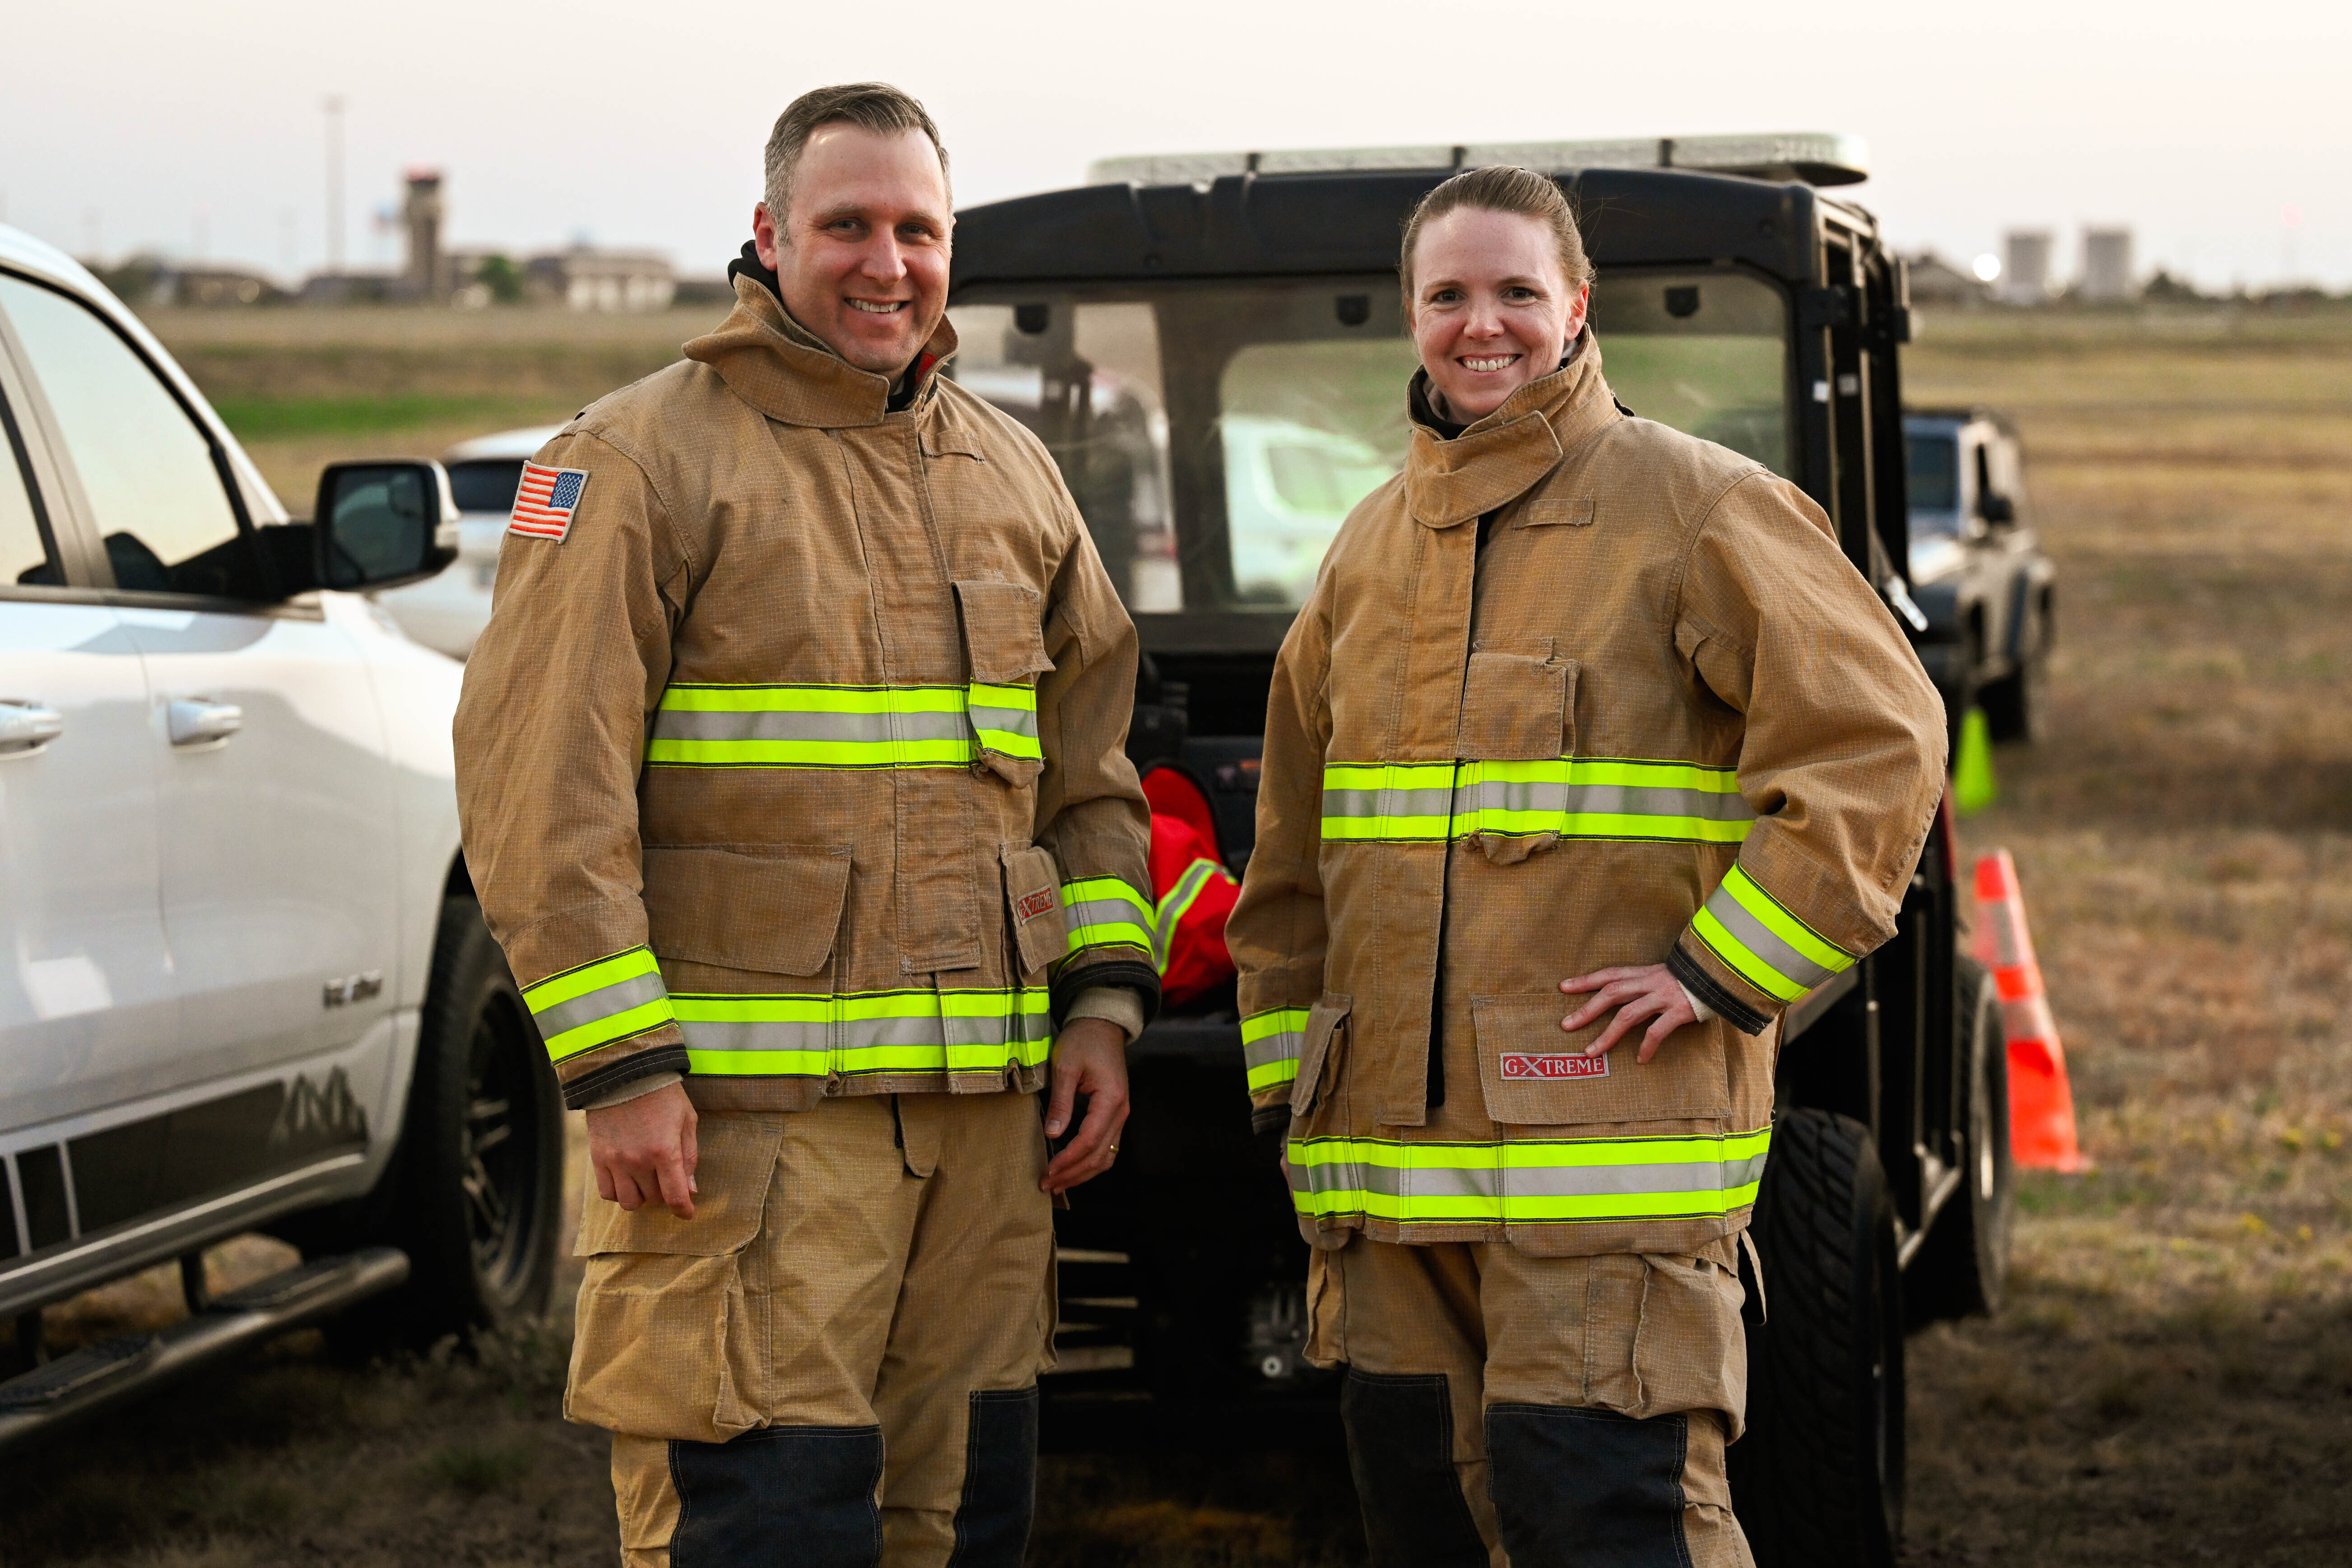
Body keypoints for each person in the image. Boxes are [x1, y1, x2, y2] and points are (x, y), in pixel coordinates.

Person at [452, 82, 1158, 1568]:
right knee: (758, 1530)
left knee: (957, 1529)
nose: (886, 264)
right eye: (847, 226)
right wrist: (620, 1067)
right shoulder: (626, 463)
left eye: (919, 229)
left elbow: (1089, 776)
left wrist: (1100, 1007)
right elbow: (539, 785)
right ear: (769, 235)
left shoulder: (1014, 473)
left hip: (984, 1152)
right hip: (748, 1146)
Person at [1227, 166, 1946, 1568]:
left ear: (1574, 306)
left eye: (1514, 291)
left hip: (1603, 1190)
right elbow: (1293, 860)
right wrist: (1288, 1093)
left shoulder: (1694, 506)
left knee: (1615, 1530)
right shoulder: (1366, 548)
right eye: (1447, 294)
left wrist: (1720, 970)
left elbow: (1877, 740)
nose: (1479, 324)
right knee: (1428, 1529)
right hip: (1386, 1207)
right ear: (1410, 314)